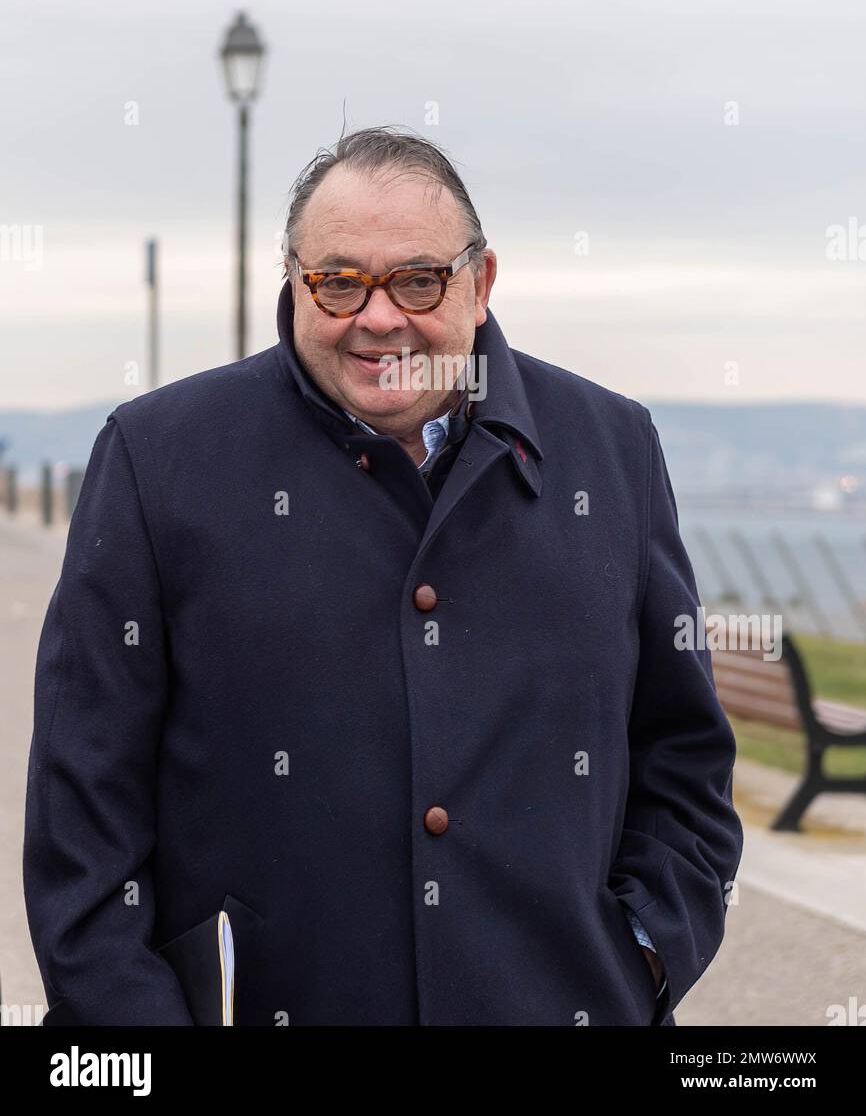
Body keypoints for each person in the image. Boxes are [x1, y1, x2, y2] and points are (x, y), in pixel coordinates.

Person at [24, 126, 743, 1026]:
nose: (378, 316)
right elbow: (82, 805)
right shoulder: (155, 457)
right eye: (338, 280)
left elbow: (686, 757)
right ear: (293, 282)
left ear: (480, 284)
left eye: (417, 278)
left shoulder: (615, 449)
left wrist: (643, 955)